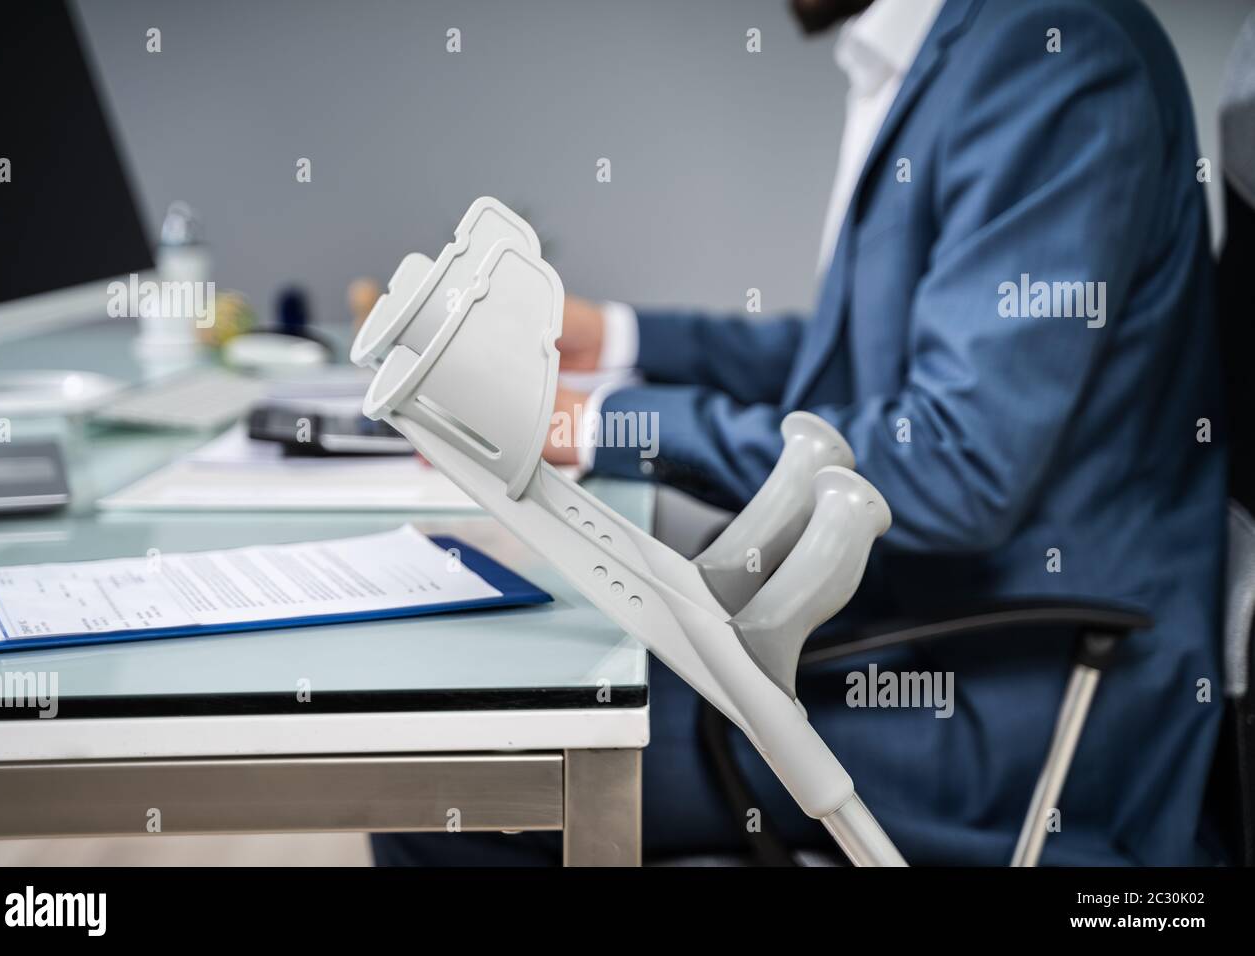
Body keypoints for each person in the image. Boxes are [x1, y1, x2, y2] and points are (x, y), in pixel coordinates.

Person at [376, 0, 1226, 866]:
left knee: (439, 769)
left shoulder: (1056, 53)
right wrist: (626, 340)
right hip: (921, 642)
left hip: (1017, 699)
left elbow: (952, 464)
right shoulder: (953, 50)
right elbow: (857, 359)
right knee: (481, 709)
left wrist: (600, 424)